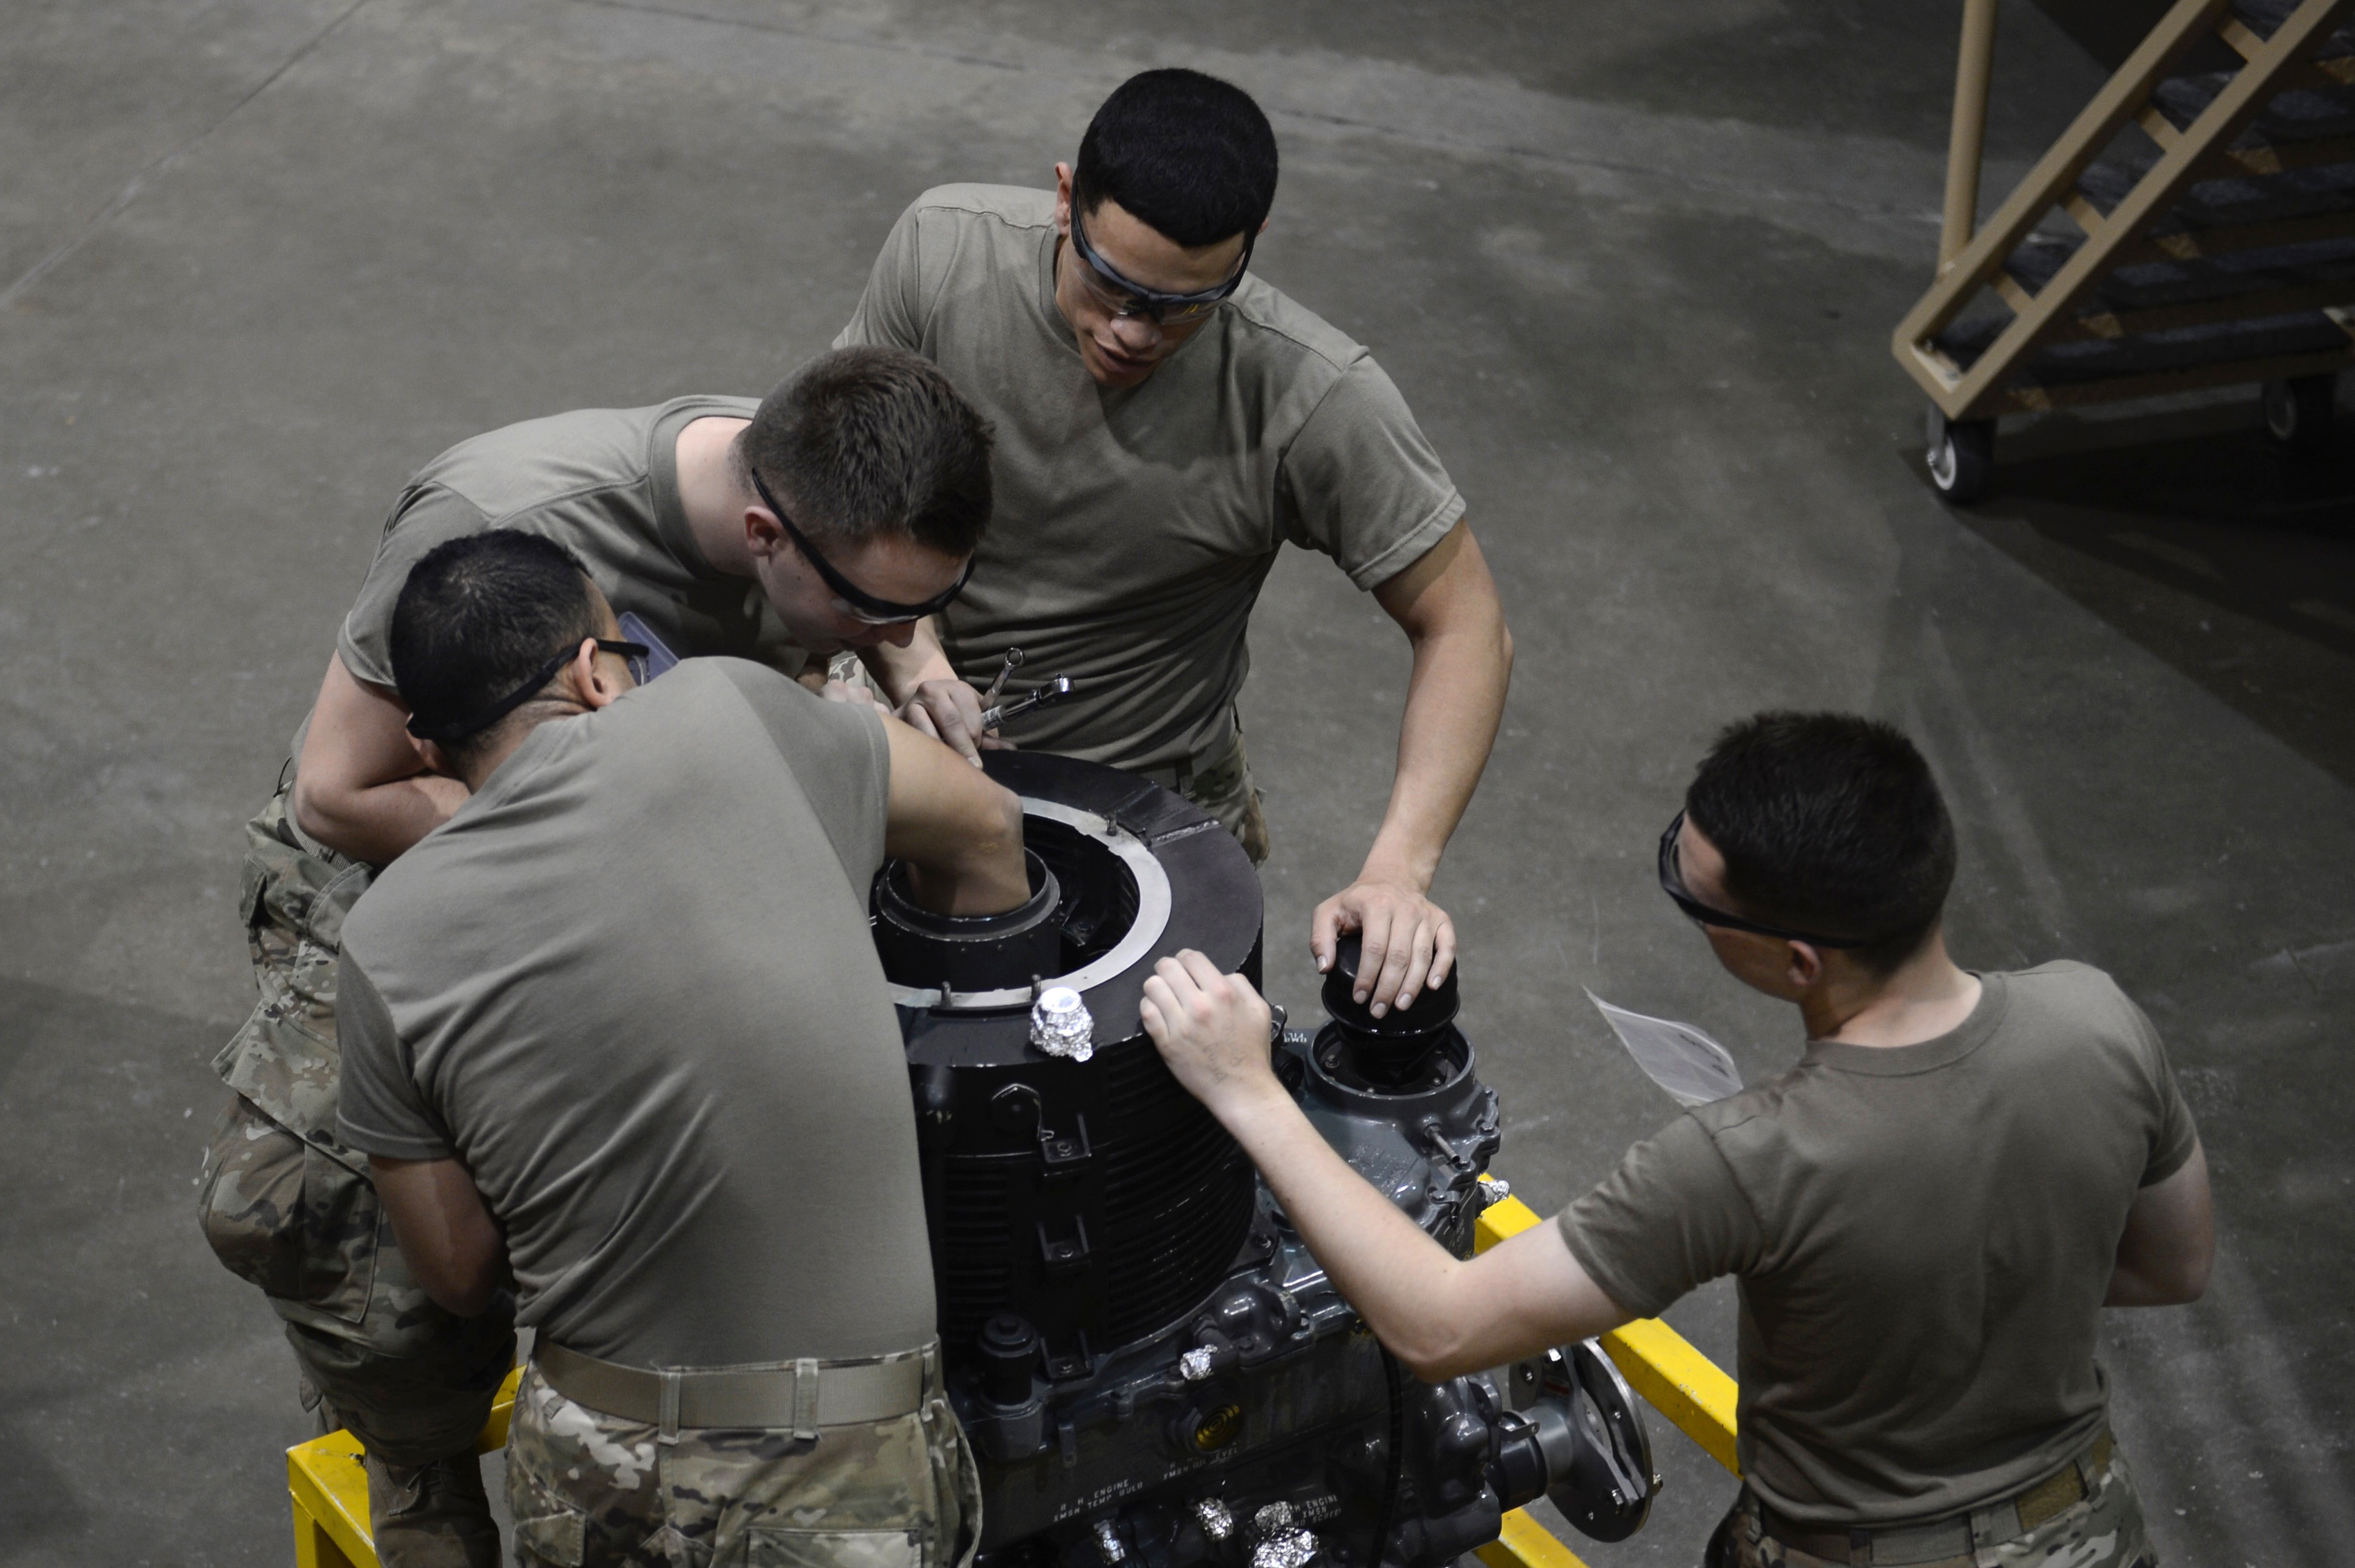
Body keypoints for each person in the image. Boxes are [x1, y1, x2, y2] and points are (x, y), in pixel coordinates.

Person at [196, 347, 992, 1567]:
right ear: (767, 533)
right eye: (873, 613)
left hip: (638, 796)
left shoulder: (820, 460)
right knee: (314, 1212)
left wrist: (917, 663)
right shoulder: (503, 521)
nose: (891, 635)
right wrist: (591, 842)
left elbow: (882, 654)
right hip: (411, 846)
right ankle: (413, 1461)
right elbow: (334, 791)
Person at [1138, 712, 2214, 1568]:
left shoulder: (1748, 1161)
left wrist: (1249, 1093)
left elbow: (1437, 1328)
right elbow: (2173, 1265)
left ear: (1798, 962)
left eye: (1691, 896)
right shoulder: (2096, 1018)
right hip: (2088, 1528)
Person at [336, 530, 1023, 1567]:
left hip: (592, 1461)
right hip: (834, 1456)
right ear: (593, 672)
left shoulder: (381, 941)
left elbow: (459, 1273)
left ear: (428, 751)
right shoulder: (726, 707)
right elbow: (985, 823)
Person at [834, 67, 1514, 1023]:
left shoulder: (1307, 396)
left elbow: (1465, 622)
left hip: (1142, 810)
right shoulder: (945, 257)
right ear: (1066, 197)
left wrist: (1400, 868)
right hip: (902, 733)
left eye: (1179, 305)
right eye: (1107, 281)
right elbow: (840, 488)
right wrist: (914, 658)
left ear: (1249, 250)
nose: (1130, 332)